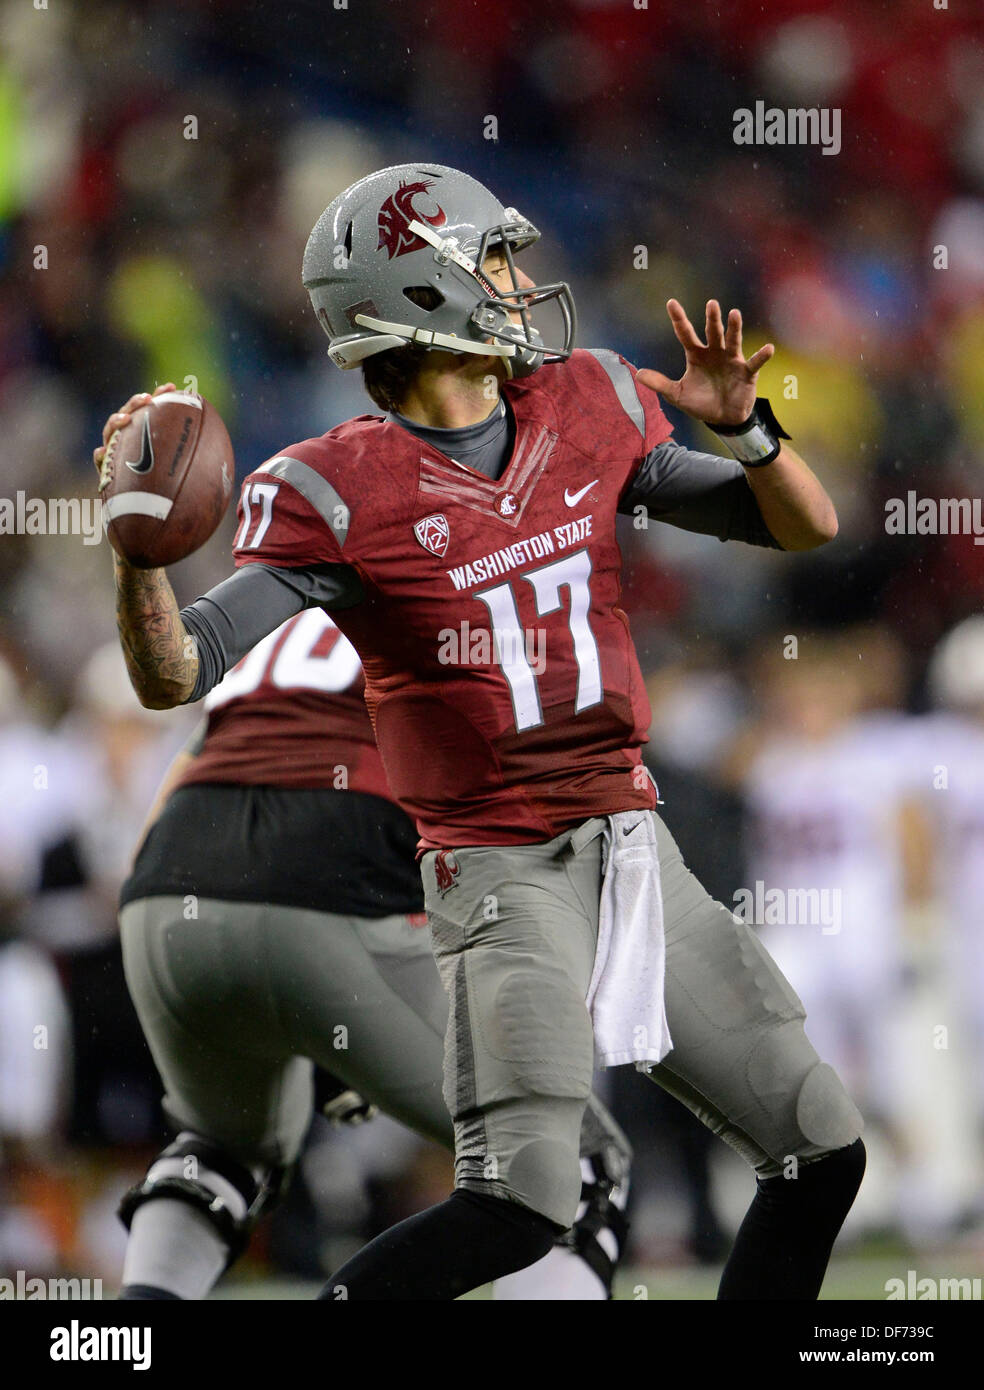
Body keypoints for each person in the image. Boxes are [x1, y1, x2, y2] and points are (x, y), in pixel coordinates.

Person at [96, 163, 865, 1300]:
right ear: (418, 295)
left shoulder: (588, 402)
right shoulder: (335, 486)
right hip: (501, 869)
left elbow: (804, 526)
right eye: (492, 261)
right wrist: (135, 558)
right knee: (520, 1203)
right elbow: (178, 672)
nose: (519, 282)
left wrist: (750, 430)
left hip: (635, 846)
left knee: (817, 1146)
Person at [115, 608, 630, 1300]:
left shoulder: (289, 606)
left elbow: (182, 783)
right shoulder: (485, 580)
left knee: (222, 1150)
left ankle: (122, 1339)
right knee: (570, 1161)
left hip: (163, 896)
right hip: (332, 896)